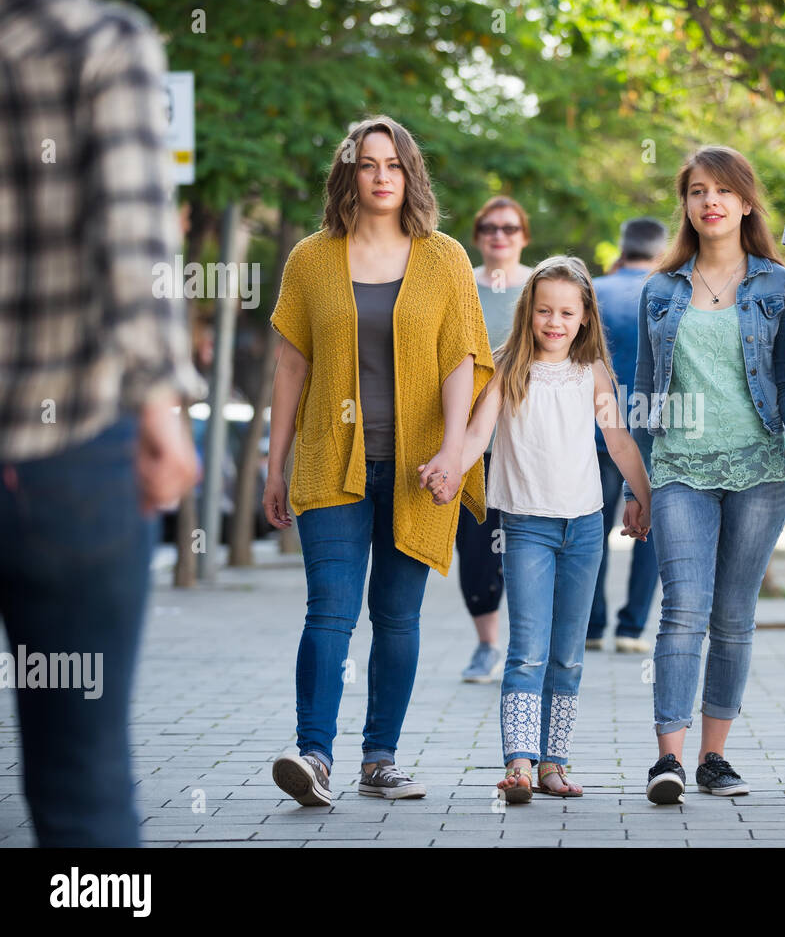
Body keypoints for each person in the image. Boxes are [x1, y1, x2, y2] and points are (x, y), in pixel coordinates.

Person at [0, 0, 204, 847]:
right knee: (81, 772)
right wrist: (162, 406)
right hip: (64, 448)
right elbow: (132, 242)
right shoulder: (95, 40)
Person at [265, 116, 494, 807]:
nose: (382, 175)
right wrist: (275, 465)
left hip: (421, 468)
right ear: (350, 174)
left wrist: (455, 451)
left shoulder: (444, 257)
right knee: (329, 611)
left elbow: (463, 360)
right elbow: (289, 366)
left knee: (398, 616)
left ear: (410, 173)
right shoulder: (311, 258)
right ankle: (313, 754)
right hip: (333, 462)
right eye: (368, 164)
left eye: (394, 163)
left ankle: (381, 758)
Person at [440, 257, 652, 803]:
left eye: (566, 312)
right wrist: (448, 467)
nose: (554, 322)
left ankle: (554, 763)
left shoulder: (594, 373)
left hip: (583, 527)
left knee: (568, 653)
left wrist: (643, 495)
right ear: (527, 312)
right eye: (543, 311)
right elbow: (475, 437)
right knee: (528, 650)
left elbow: (620, 442)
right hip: (527, 525)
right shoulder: (506, 365)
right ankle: (518, 764)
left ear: (584, 317)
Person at [632, 147, 785, 805]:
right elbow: (645, 393)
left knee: (733, 616)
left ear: (746, 203)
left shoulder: (778, 286)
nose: (711, 202)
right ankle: (667, 761)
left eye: (724, 191)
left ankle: (714, 758)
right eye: (698, 191)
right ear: (687, 206)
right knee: (683, 611)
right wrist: (636, 488)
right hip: (680, 468)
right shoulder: (659, 290)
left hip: (760, 466)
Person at [458, 196, 534, 683]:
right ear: (478, 234)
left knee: (530, 544)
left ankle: (529, 649)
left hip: (530, 439)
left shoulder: (539, 287)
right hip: (472, 442)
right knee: (477, 549)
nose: (499, 235)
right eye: (489, 226)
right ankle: (488, 645)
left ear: (523, 235)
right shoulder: (460, 285)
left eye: (509, 227)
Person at [587, 218, 668, 654]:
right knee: (650, 527)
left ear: (621, 247)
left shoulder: (592, 292)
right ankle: (632, 629)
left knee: (591, 530)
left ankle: (592, 626)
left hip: (596, 429)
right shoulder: (669, 291)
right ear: (660, 251)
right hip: (652, 430)